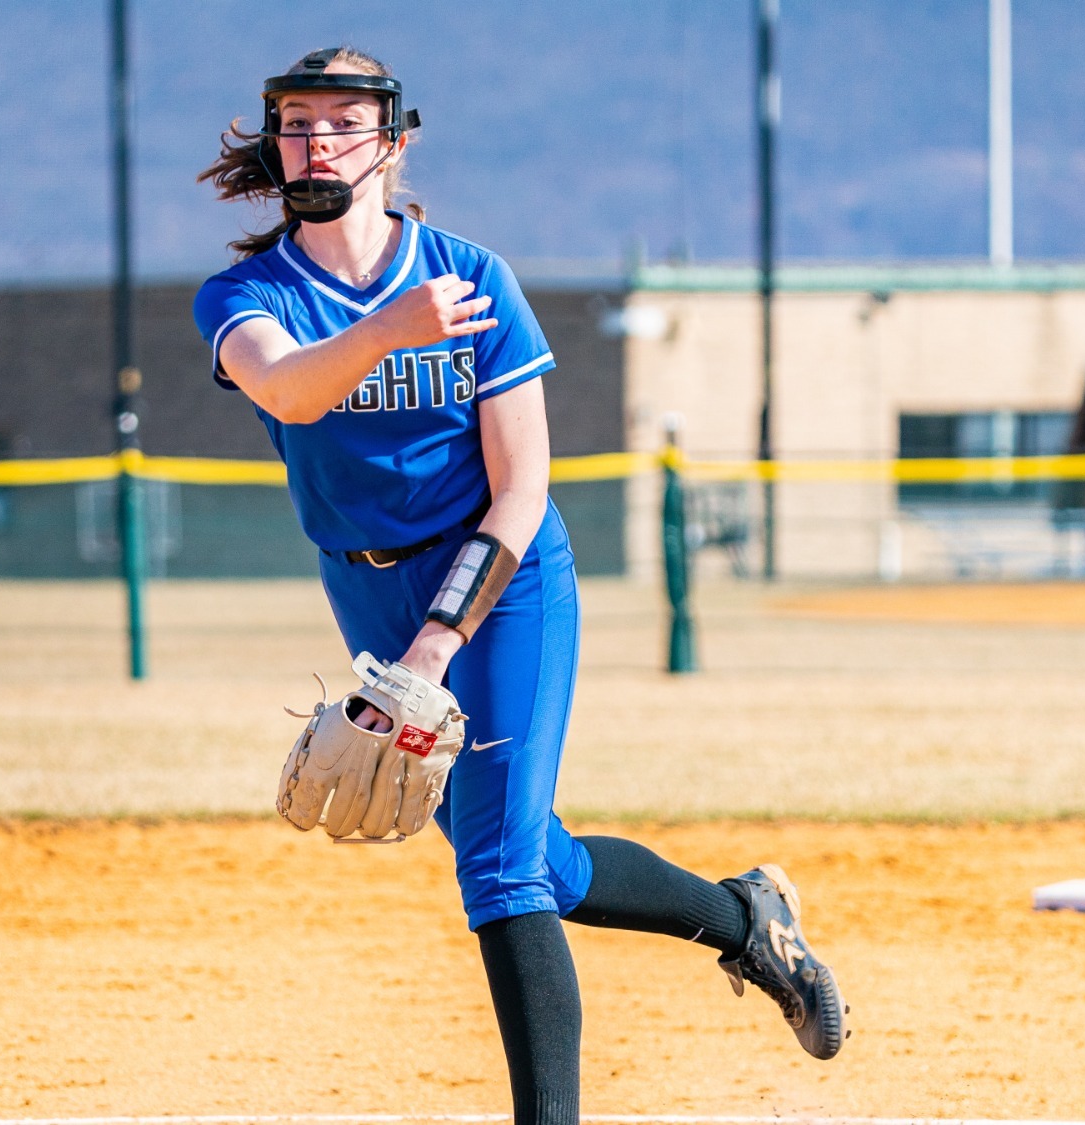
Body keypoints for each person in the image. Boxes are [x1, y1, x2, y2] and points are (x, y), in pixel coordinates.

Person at [192, 47, 848, 1125]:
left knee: (497, 871)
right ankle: (747, 921)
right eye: (297, 122)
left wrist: (438, 642)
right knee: (539, 859)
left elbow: (521, 490)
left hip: (501, 576)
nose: (316, 142)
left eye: (344, 122)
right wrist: (388, 330)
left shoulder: (472, 280)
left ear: (392, 144)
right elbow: (287, 390)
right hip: (366, 590)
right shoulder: (250, 293)